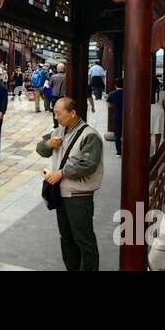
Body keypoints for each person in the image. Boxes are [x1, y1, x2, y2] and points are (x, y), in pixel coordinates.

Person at [36, 96, 104, 271]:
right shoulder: (58, 131)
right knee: (65, 237)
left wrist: (62, 172)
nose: (56, 117)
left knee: (83, 238)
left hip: (79, 195)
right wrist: (49, 144)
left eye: (59, 113)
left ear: (72, 113)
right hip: (62, 193)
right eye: (55, 113)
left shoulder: (90, 135)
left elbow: (88, 165)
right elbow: (40, 148)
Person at [106, 76, 124, 156]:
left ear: (115, 85)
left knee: (118, 135)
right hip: (127, 117)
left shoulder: (112, 94)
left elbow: (109, 105)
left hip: (117, 115)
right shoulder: (128, 94)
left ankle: (119, 152)